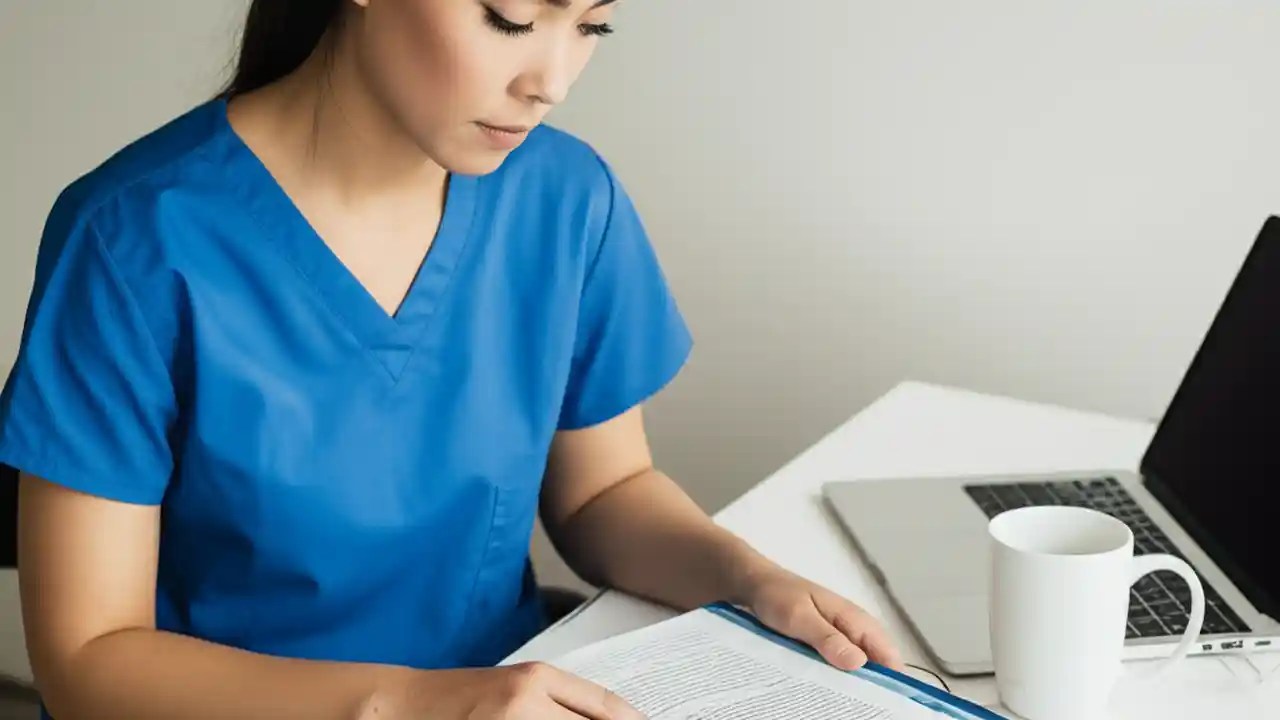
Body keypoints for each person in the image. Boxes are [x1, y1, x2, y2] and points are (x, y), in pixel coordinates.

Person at [0, 1, 903, 718]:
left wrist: (746, 579)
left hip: (509, 688)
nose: (548, 79)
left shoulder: (564, 198)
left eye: (591, 24)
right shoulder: (133, 239)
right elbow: (89, 663)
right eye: (509, 18)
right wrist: (417, 706)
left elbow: (603, 495)